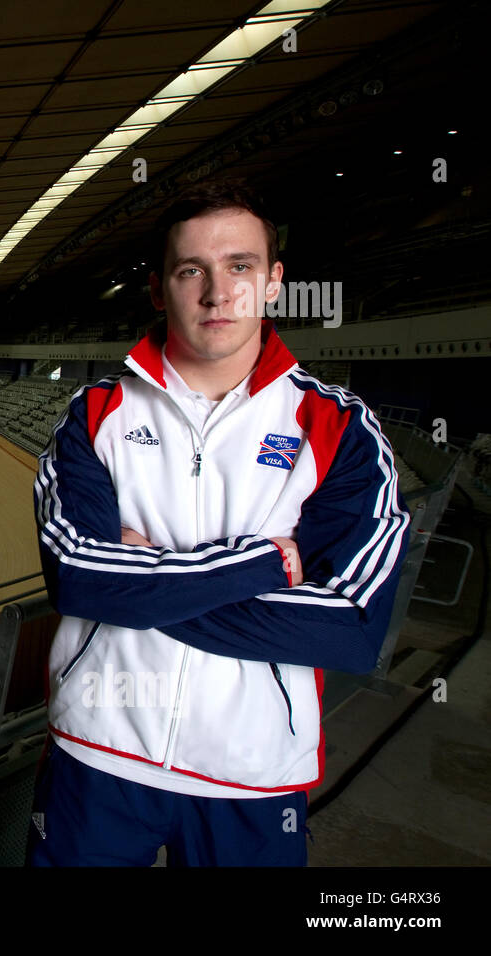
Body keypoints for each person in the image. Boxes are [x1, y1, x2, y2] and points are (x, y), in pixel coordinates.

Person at [29, 180, 411, 868]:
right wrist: (270, 563)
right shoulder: (93, 415)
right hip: (97, 755)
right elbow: (78, 579)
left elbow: (351, 626)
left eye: (240, 267)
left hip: (255, 772)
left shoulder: (341, 427)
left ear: (273, 284)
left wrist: (136, 588)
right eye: (191, 271)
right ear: (158, 289)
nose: (216, 292)